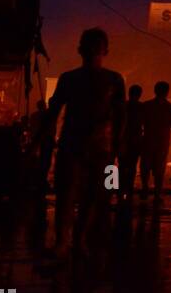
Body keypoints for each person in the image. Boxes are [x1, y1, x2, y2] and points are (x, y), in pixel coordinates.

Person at [44, 28, 126, 256]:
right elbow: (54, 110)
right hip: (73, 144)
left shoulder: (114, 80)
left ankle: (78, 239)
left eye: (96, 46)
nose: (93, 50)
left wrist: (117, 147)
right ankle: (63, 241)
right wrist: (45, 140)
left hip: (100, 147)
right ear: (81, 49)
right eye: (89, 45)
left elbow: (120, 115)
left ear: (105, 50)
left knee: (92, 195)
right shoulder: (69, 79)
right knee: (67, 193)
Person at [139, 81, 171, 203]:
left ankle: (145, 189)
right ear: (167, 92)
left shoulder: (146, 106)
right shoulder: (169, 107)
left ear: (155, 91)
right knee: (159, 168)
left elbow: (138, 123)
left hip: (148, 141)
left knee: (145, 166)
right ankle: (157, 194)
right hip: (161, 142)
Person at [120, 85, 145, 202]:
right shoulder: (141, 107)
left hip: (122, 140)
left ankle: (117, 189)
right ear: (139, 95)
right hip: (135, 140)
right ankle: (128, 189)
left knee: (121, 165)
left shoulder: (122, 106)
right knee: (132, 166)